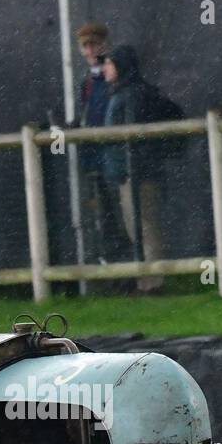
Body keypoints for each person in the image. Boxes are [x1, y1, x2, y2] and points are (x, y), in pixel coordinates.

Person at [101, 45, 165, 293]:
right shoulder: (121, 93)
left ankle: (153, 282)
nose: (105, 68)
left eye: (110, 63)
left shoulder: (132, 94)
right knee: (136, 227)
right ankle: (146, 279)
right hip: (127, 172)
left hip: (138, 173)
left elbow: (132, 137)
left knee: (146, 226)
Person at [74, 21, 130, 263]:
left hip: (114, 157)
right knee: (104, 219)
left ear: (104, 44)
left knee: (123, 217)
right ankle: (115, 270)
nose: (89, 51)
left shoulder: (115, 75)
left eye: (93, 44)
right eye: (85, 46)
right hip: (94, 158)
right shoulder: (87, 81)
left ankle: (129, 271)